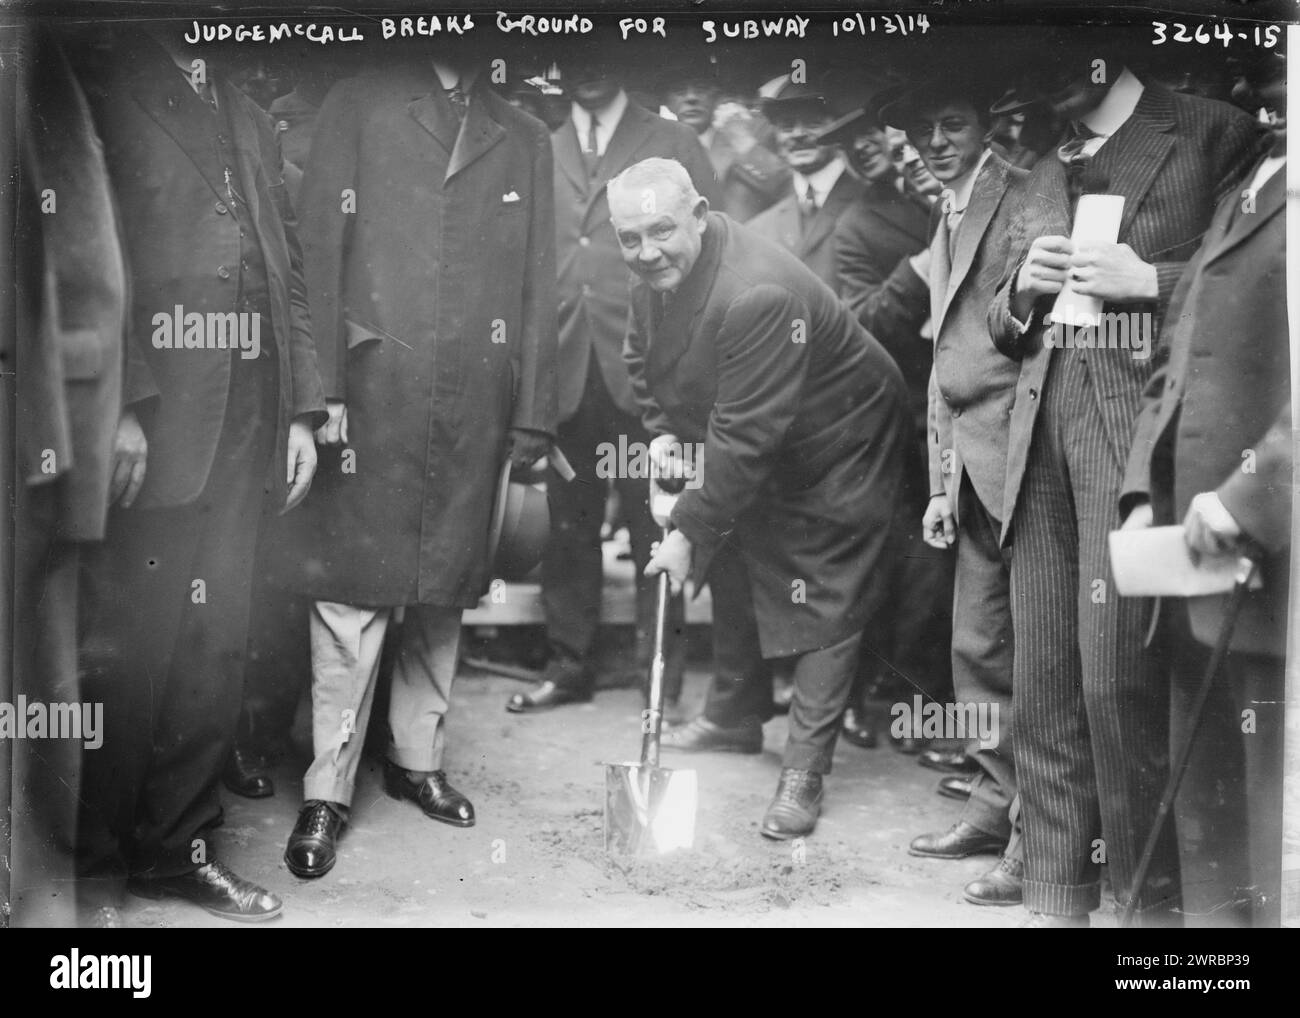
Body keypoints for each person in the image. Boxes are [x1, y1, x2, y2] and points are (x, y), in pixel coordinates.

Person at [987, 43, 1262, 927]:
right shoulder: (1040, 156)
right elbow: (999, 321)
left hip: (1132, 433)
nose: (1052, 71)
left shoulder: (1214, 133)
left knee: (1120, 680)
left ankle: (1147, 906)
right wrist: (1018, 295)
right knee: (1044, 682)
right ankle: (1058, 896)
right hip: (1038, 441)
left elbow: (1259, 288)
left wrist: (1151, 282)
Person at [278, 47, 558, 879]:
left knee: (444, 586)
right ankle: (326, 790)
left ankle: (415, 761)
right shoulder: (360, 99)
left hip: (476, 398)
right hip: (371, 390)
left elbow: (540, 286)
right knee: (350, 595)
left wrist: (534, 413)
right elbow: (319, 249)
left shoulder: (524, 135)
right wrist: (321, 385)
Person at [75, 27, 326, 923]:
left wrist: (303, 411)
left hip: (251, 418)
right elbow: (84, 251)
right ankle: (95, 871)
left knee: (217, 644)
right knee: (131, 652)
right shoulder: (98, 77)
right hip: (159, 417)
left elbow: (287, 272)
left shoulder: (247, 112)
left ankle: (175, 852)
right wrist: (126, 402)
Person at [617, 157, 910, 839]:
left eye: (660, 231)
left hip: (842, 433)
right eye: (629, 238)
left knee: (827, 586)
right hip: (761, 423)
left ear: (699, 215)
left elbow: (743, 442)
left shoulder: (755, 293)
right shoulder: (653, 274)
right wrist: (662, 436)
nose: (645, 251)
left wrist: (686, 530)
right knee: (735, 543)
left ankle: (804, 772)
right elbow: (642, 357)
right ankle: (733, 715)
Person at [1119, 52, 1287, 927]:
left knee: (1270, 808)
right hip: (1193, 550)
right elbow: (1175, 353)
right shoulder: (1256, 177)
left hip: (1264, 550)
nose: (1263, 89)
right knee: (1207, 784)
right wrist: (1145, 485)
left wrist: (1248, 498)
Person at [856, 74, 1030, 906]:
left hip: (1023, 463)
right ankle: (995, 806)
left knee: (1036, 659)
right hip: (968, 464)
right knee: (977, 650)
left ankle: (1040, 838)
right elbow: (943, 363)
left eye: (950, 123)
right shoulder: (946, 214)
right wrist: (938, 480)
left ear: (987, 124)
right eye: (921, 128)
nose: (933, 141)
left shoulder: (1027, 194)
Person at [506, 54, 717, 715]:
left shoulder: (671, 140)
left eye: (603, 46)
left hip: (646, 376)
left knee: (656, 523)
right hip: (566, 371)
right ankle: (568, 667)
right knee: (566, 529)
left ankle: (661, 679)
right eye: (576, 52)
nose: (588, 66)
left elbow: (706, 259)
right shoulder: (540, 141)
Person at [7, 26, 126, 927]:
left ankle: (48, 914)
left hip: (32, 431)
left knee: (41, 693)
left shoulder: (26, 44)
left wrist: (53, 447)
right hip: (35, 425)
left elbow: (77, 274)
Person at [828, 87, 955, 757]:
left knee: (967, 575)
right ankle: (904, 710)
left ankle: (936, 716)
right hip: (900, 421)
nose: (917, 162)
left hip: (977, 412)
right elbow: (858, 326)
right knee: (912, 570)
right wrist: (918, 271)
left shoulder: (984, 200)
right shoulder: (861, 225)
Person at [747, 77, 865, 288]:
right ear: (776, 137)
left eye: (813, 123)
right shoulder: (761, 226)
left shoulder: (868, 198)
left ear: (838, 131)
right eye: (787, 126)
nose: (799, 134)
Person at [660, 59, 790, 222]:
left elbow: (787, 187)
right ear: (668, 103)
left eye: (701, 89)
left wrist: (741, 140)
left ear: (717, 96)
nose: (691, 98)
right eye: (680, 91)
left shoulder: (753, 129)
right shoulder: (659, 147)